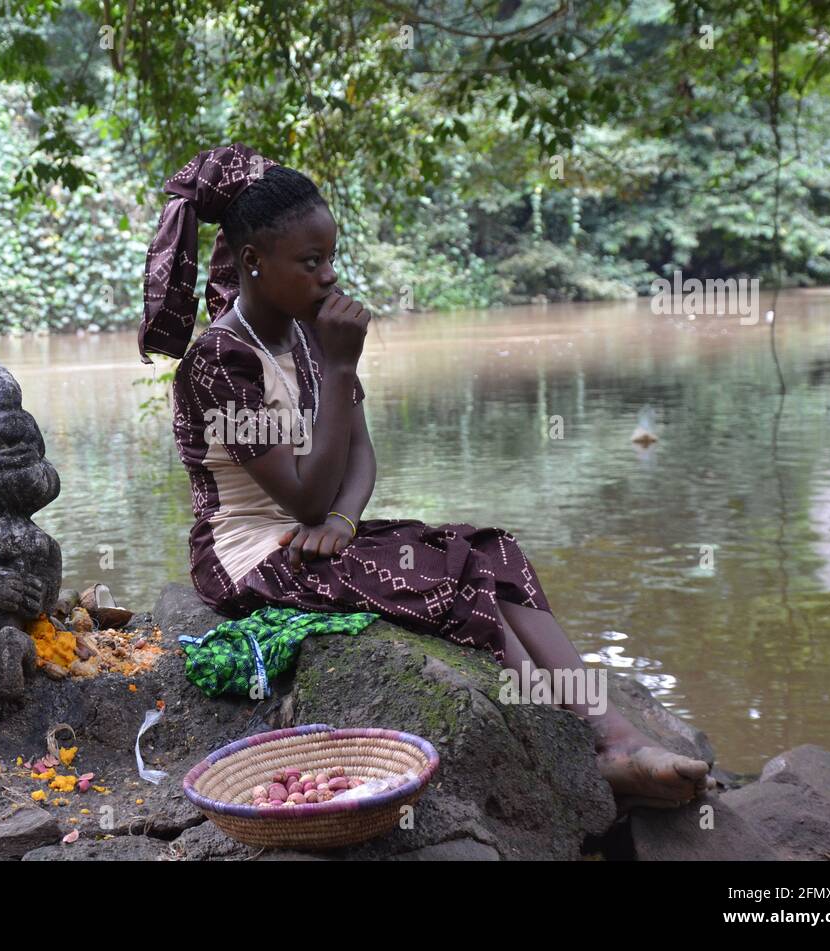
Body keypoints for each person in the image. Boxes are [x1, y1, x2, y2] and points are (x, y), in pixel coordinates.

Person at [140, 143, 714, 810]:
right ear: (252, 264)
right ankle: (576, 749)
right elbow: (300, 495)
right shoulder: (218, 363)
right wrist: (340, 369)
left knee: (494, 550)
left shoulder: (304, 336)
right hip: (247, 555)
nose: (329, 278)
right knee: (452, 580)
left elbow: (360, 455)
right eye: (310, 262)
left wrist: (345, 521)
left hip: (315, 527)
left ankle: (611, 733)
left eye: (331, 258)